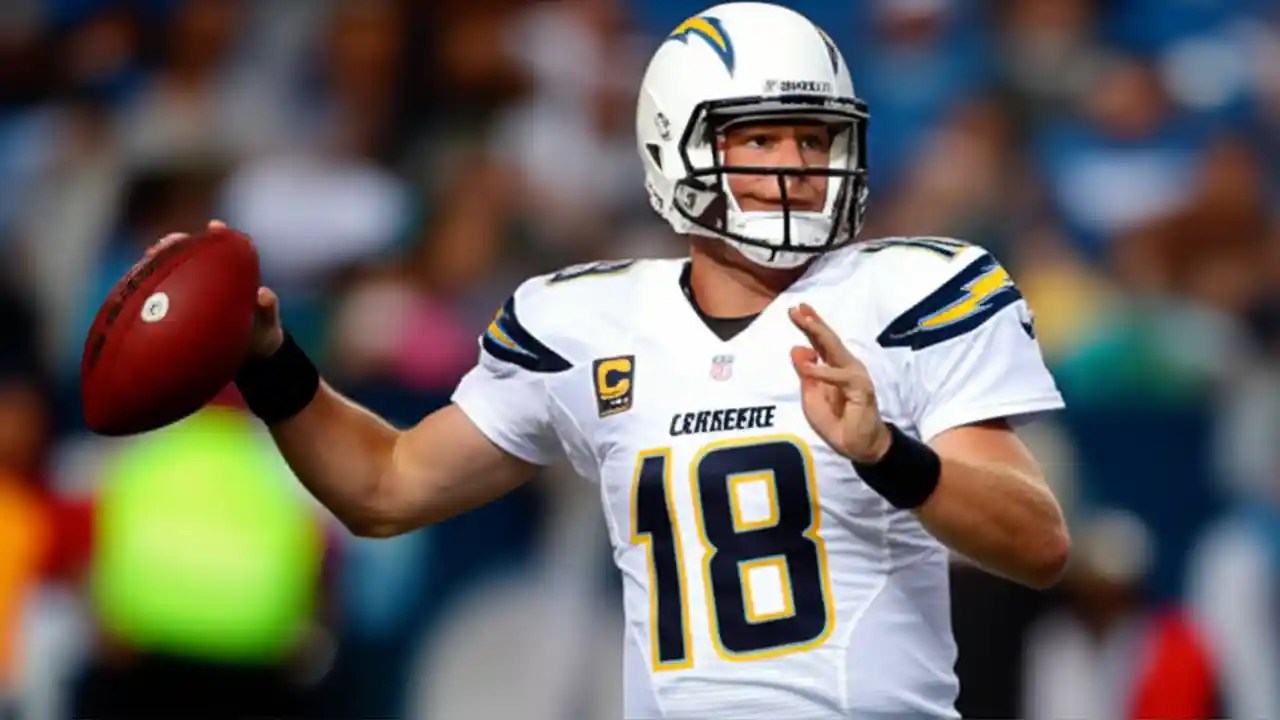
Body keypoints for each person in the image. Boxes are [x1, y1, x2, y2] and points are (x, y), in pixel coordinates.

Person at [154, 3, 1070, 717]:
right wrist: (271, 361)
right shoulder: (587, 320)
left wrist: (887, 454)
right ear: (677, 146)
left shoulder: (913, 291)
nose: (797, 165)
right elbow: (386, 487)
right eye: (759, 137)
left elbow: (1038, 544)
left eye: (815, 137)